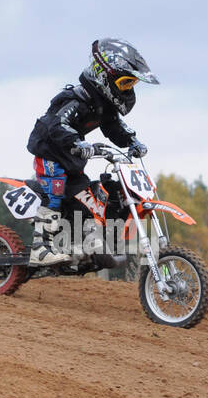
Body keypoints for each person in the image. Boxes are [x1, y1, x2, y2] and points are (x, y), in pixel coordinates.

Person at [24, 38, 158, 265]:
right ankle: (40, 246)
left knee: (87, 197)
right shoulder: (76, 99)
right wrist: (78, 142)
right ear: (105, 75)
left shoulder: (103, 104)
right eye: (125, 84)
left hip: (71, 158)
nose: (127, 90)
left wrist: (132, 141)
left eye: (130, 86)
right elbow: (57, 125)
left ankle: (85, 242)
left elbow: (114, 127)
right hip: (50, 154)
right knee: (56, 192)